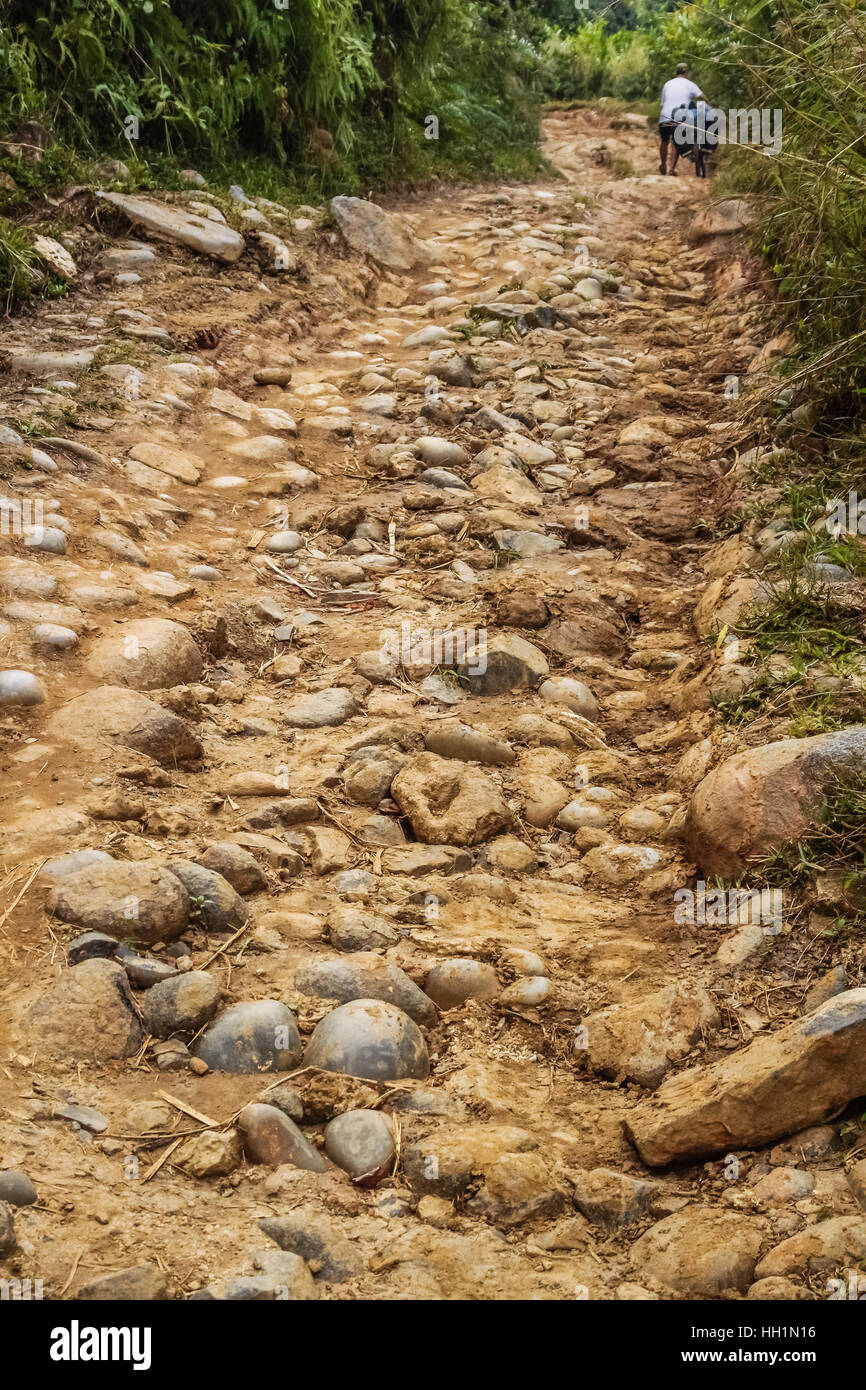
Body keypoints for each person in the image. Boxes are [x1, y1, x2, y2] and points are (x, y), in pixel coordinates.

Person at [658, 63, 705, 176]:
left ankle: (663, 165)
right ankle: (671, 169)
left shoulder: (667, 84)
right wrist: (708, 104)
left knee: (664, 142)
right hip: (680, 116)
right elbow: (701, 96)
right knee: (676, 142)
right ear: (686, 73)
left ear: (676, 72)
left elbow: (663, 103)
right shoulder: (690, 84)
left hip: (665, 116)